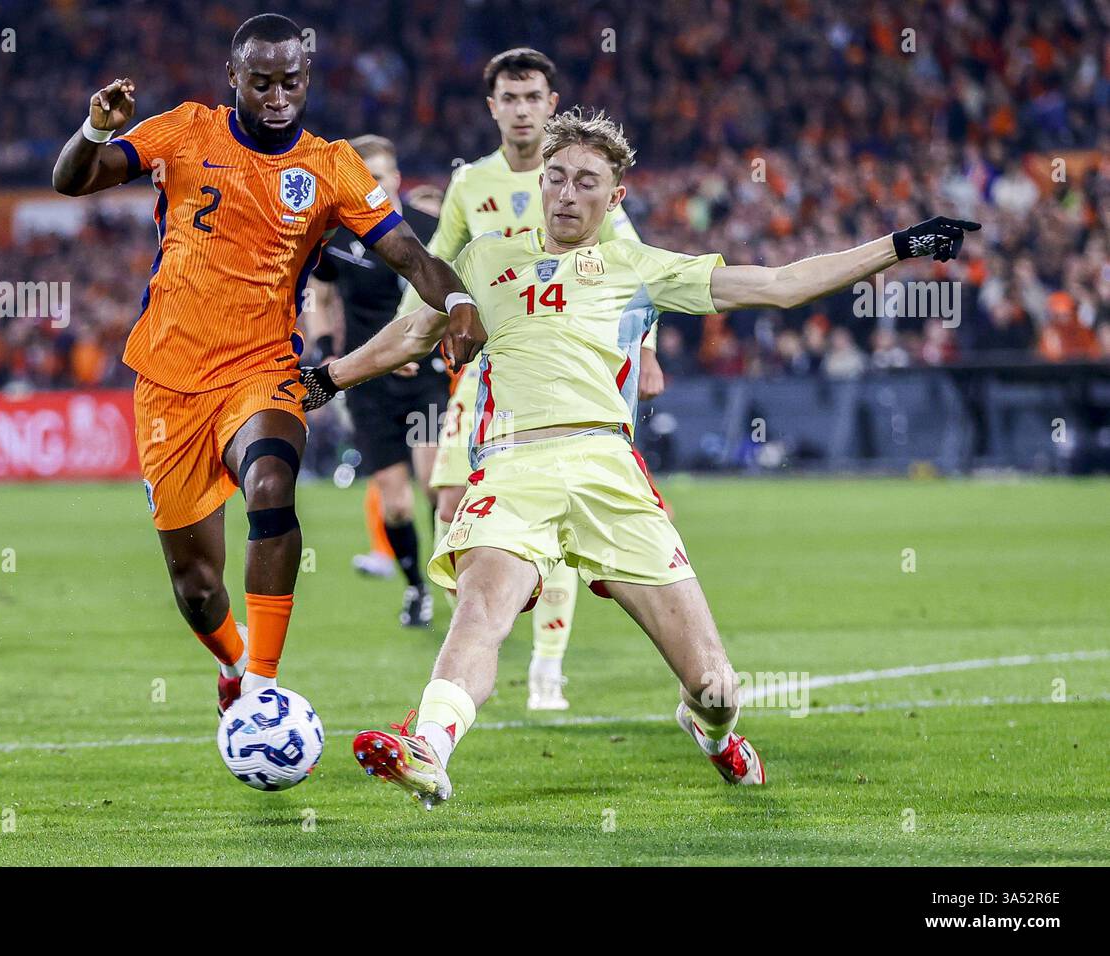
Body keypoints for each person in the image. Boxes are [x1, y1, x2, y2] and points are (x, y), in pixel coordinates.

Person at [305, 107, 979, 806]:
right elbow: (410, 335)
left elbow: (782, 286)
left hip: (607, 469)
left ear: (616, 196)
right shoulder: (483, 260)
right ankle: (428, 748)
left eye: (586, 182)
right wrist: (325, 381)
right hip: (512, 467)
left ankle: (712, 732)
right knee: (482, 608)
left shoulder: (640, 269)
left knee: (715, 685)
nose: (566, 194)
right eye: (556, 177)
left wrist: (900, 246)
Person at [51, 13, 482, 715]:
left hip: (262, 370)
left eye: (290, 81)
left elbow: (406, 251)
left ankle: (262, 688)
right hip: (169, 378)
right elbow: (73, 180)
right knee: (195, 584)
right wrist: (96, 128)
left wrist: (458, 298)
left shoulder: (331, 165)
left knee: (272, 482)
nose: (278, 96)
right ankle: (234, 658)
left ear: (306, 78)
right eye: (262, 83)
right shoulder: (187, 130)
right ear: (234, 79)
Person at [393, 47, 659, 710]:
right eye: (508, 99)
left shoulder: (581, 179)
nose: (520, 110)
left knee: (559, 516)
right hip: (483, 369)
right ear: (493, 108)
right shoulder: (471, 185)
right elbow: (435, 265)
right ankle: (481, 629)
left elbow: (636, 269)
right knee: (448, 498)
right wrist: (404, 335)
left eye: (532, 97)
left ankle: (546, 662)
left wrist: (646, 350)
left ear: (550, 104)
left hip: (557, 377)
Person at [306, 135, 448, 627]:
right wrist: (326, 355)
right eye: (368, 176)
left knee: (435, 483)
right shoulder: (336, 237)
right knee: (395, 504)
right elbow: (319, 300)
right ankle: (416, 589)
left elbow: (456, 291)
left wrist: (427, 342)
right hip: (368, 380)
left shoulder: (432, 228)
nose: (379, 183)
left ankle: (452, 583)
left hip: (425, 377)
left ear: (398, 177)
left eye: (385, 174)